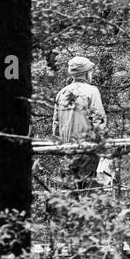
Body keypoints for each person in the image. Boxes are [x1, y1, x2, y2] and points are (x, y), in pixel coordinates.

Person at [52, 56, 107, 189]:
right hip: (87, 149)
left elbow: (56, 126)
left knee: (69, 192)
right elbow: (99, 121)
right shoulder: (92, 91)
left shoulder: (62, 93)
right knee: (87, 191)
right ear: (86, 73)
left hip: (67, 150)